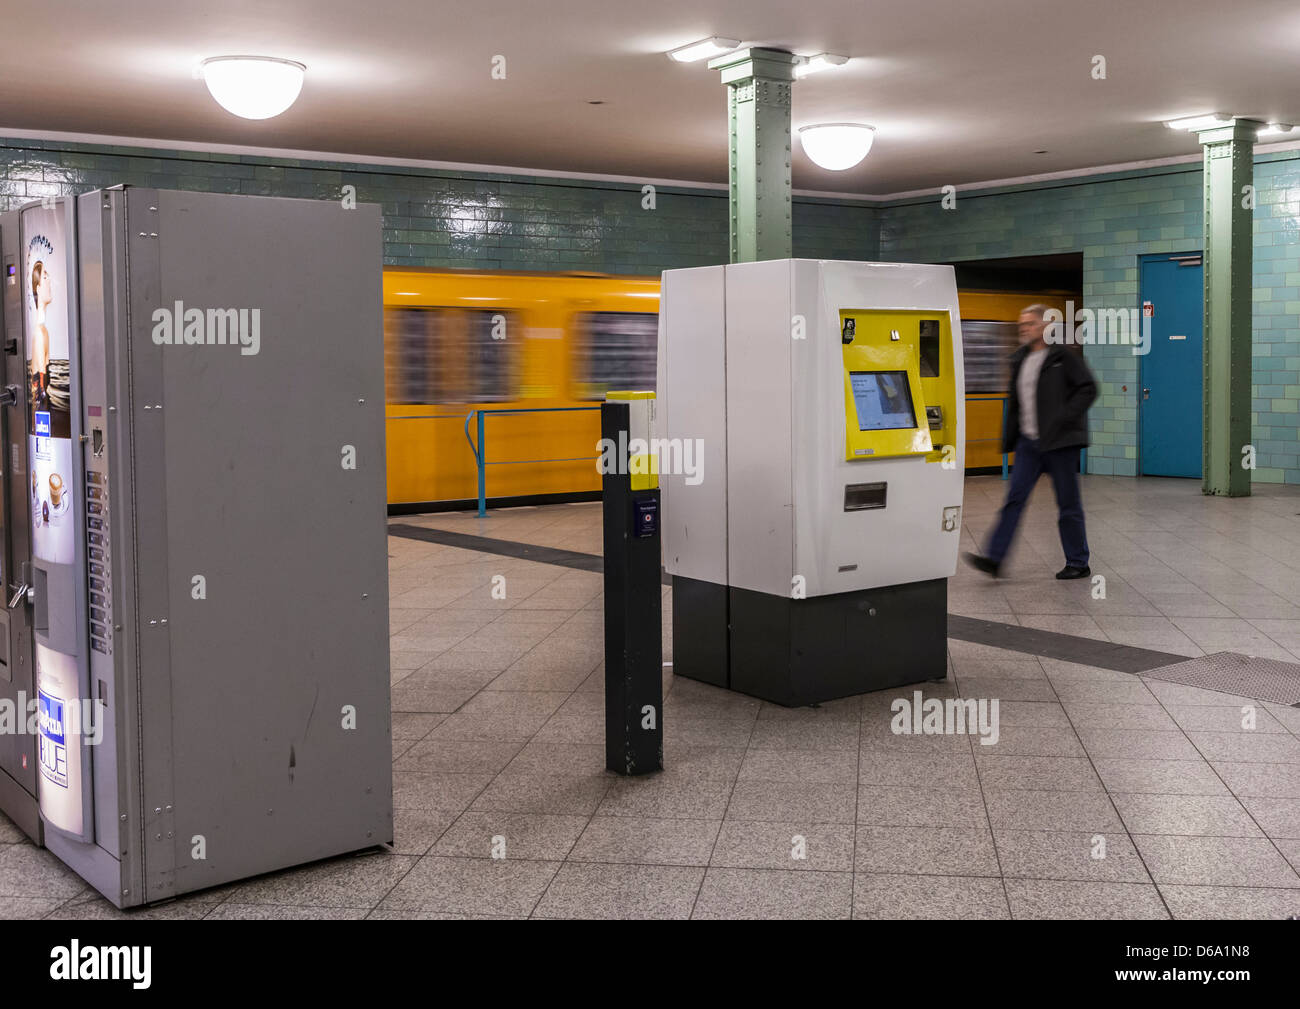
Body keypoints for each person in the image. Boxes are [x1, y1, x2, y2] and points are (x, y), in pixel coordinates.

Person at [964, 303, 1096, 580]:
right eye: (1021, 325)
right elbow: (1016, 403)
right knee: (1014, 500)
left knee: (1067, 504)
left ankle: (1078, 561)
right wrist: (1010, 436)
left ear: (1045, 326)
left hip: (1060, 443)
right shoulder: (1019, 359)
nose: (1024, 329)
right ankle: (994, 559)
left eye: (1030, 324)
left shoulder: (1064, 356)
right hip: (1029, 444)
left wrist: (1064, 416)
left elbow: (1088, 388)